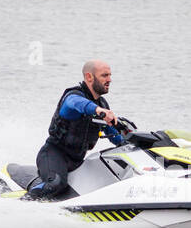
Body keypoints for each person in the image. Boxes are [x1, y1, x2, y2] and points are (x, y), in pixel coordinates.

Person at [24, 60, 127, 200]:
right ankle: (22, 203)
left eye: (110, 75)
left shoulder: (102, 104)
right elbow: (76, 103)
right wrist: (98, 110)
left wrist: (129, 141)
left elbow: (114, 136)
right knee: (55, 183)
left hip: (77, 160)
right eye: (104, 75)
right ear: (89, 77)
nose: (109, 79)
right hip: (54, 154)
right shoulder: (73, 96)